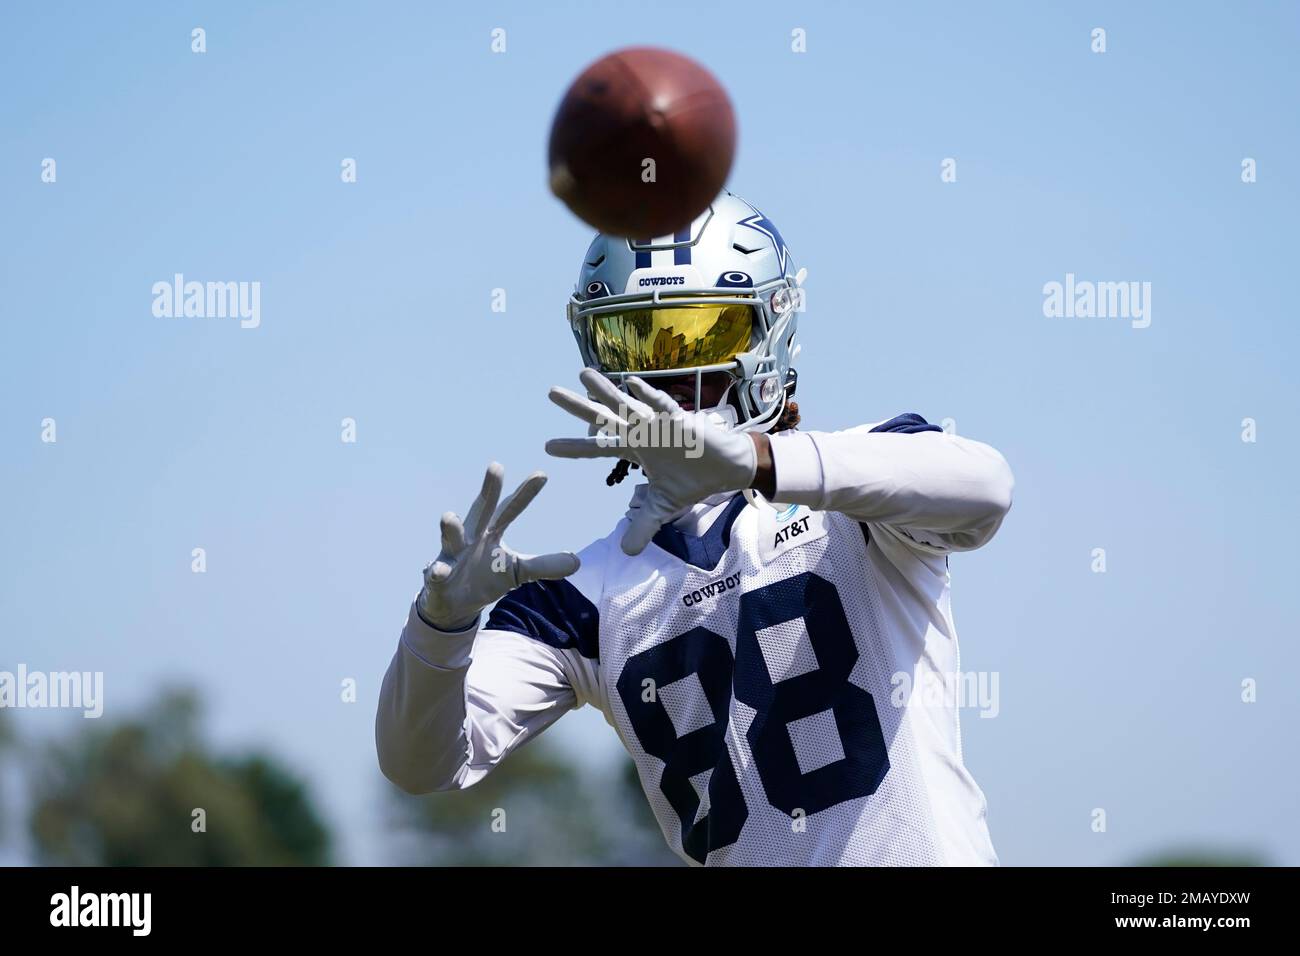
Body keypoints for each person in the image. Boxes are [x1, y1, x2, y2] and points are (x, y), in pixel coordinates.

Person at [376, 191, 1014, 865]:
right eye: (640, 339)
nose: (673, 370)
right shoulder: (576, 595)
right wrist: (438, 628)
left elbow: (987, 490)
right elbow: (421, 767)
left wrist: (757, 461)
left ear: (772, 328)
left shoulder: (858, 486)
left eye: (708, 332)